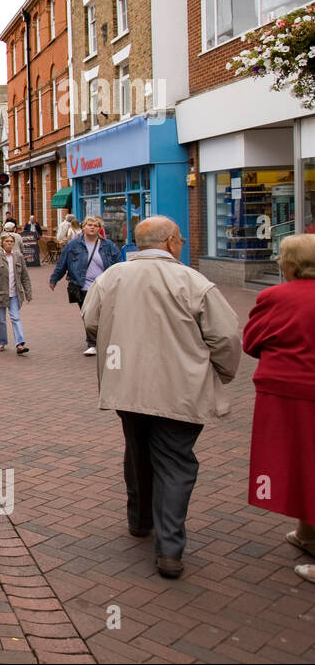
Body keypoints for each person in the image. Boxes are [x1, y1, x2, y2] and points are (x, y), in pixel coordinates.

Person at [81, 217, 241, 579]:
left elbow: (90, 321)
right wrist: (223, 372)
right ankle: (169, 548)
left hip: (126, 385)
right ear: (170, 242)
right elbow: (226, 337)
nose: (181, 243)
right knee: (175, 461)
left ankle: (140, 520)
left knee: (137, 450)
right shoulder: (192, 281)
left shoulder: (112, 278)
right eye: (180, 238)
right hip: (179, 388)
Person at [242, 234, 315, 584]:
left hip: (288, 394)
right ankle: (307, 533)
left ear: (290, 264)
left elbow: (252, 342)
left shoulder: (275, 297)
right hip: (298, 392)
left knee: (299, 462)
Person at [49, 215, 122, 355]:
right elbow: (62, 263)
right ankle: (92, 343)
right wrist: (54, 279)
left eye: (95, 225)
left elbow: (119, 263)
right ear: (83, 228)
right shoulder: (73, 245)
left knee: (103, 315)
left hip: (104, 286)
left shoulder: (109, 245)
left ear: (100, 229)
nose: (92, 227)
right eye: (89, 225)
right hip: (82, 286)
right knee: (88, 316)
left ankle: (103, 339)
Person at [0, 231, 31, 355]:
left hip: (15, 294)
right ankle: (2, 341)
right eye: (7, 241)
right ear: (2, 243)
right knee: (1, 320)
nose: (9, 244)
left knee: (15, 318)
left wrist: (28, 293)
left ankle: (20, 344)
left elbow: (25, 277)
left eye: (11, 242)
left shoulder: (18, 257)